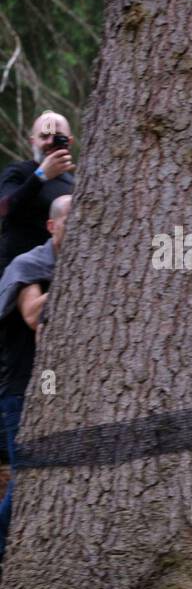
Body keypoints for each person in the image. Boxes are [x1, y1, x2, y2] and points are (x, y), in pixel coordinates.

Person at [0, 194, 70, 560]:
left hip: (61, 390)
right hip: (20, 390)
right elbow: (32, 316)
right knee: (27, 479)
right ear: (51, 225)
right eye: (71, 219)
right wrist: (74, 278)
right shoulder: (29, 264)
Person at [0, 112, 76, 277]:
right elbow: (3, 208)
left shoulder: (73, 184)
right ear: (33, 141)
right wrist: (41, 176)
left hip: (58, 277)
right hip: (18, 276)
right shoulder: (19, 172)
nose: (50, 142)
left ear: (69, 142)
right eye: (44, 136)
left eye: (57, 137)